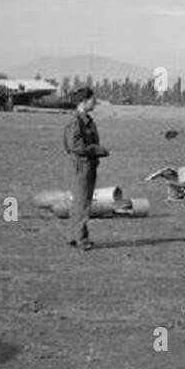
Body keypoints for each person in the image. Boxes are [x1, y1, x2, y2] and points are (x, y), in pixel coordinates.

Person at [63, 87, 108, 250]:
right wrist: (97, 150)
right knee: (82, 204)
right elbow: (75, 146)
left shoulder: (86, 120)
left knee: (79, 203)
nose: (95, 102)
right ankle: (82, 239)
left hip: (87, 164)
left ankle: (72, 236)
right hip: (81, 165)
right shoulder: (76, 122)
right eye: (92, 99)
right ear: (83, 102)